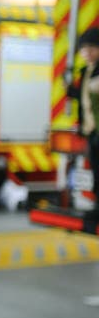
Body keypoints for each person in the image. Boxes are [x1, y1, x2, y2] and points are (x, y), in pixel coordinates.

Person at [67, 27, 99, 212]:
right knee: (95, 168)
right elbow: (84, 96)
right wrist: (71, 90)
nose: (86, 53)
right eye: (83, 49)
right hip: (91, 129)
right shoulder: (86, 70)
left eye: (91, 48)